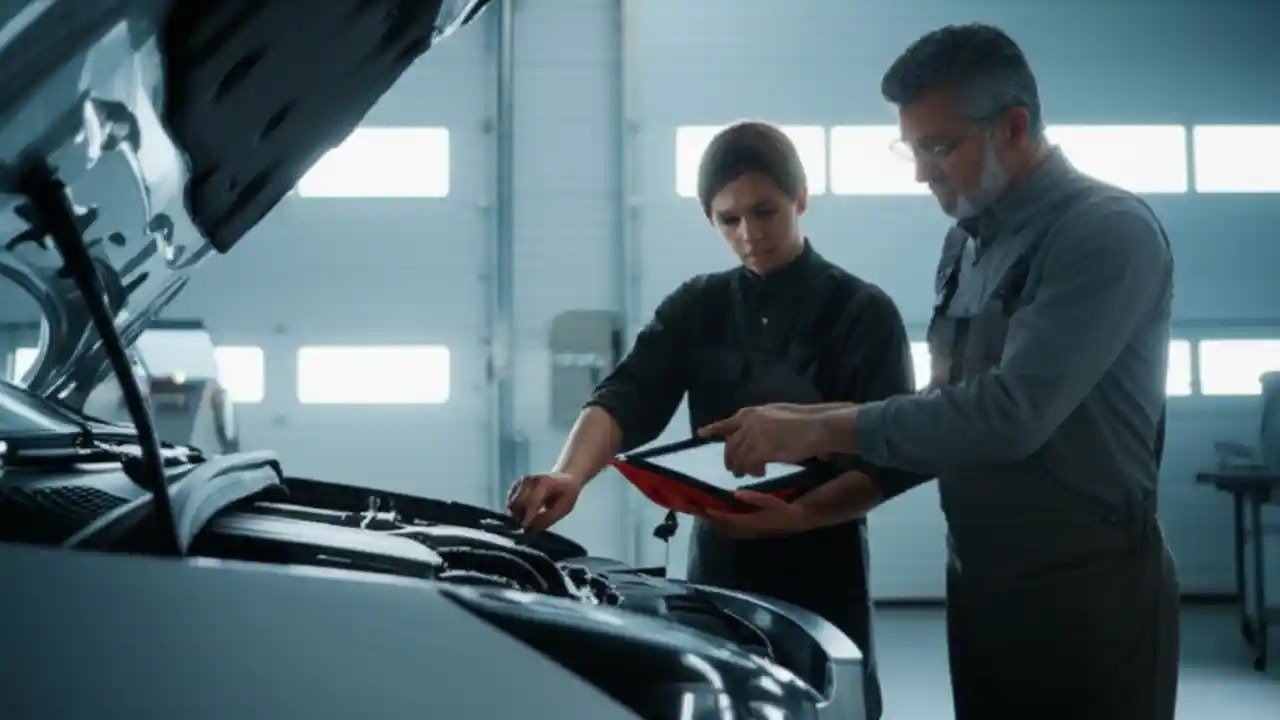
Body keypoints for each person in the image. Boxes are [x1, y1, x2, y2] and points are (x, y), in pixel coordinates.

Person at [696, 24, 1180, 720]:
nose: (922, 171)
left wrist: (816, 430)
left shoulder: (1104, 233)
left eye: (939, 146)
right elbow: (945, 407)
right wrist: (796, 440)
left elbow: (1010, 414)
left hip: (1088, 591)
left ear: (1014, 128)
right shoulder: (967, 244)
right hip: (983, 581)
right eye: (912, 148)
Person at [506, 119, 929, 720]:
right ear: (710, 218)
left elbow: (892, 457)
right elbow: (628, 394)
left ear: (801, 198)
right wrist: (569, 475)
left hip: (822, 565)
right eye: (729, 219)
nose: (749, 234)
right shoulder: (696, 305)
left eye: (766, 211)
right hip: (718, 569)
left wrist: (802, 514)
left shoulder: (863, 312)